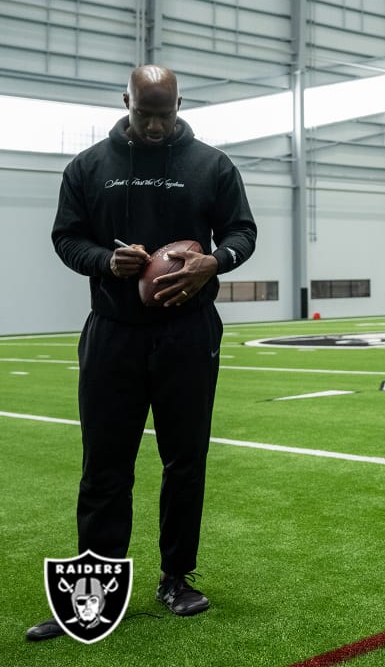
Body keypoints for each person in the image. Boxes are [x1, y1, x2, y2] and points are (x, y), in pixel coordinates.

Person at [30, 65, 257, 641]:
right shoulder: (88, 166)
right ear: (125, 101)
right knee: (105, 462)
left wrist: (215, 262)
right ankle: (98, 585)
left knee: (185, 460)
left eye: (166, 113)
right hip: (113, 330)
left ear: (180, 104)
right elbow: (66, 237)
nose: (156, 126)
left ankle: (177, 577)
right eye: (144, 113)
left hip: (188, 333)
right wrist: (105, 262)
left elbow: (241, 232)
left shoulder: (212, 165)